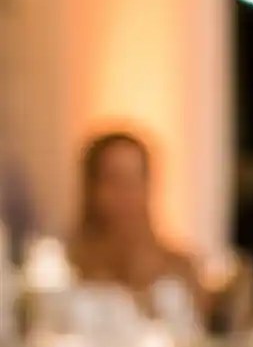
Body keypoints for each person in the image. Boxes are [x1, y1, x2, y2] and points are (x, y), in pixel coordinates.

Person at [66, 131, 208, 324]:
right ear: (91, 188)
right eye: (113, 180)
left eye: (135, 180)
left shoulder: (181, 266)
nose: (125, 194)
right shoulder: (66, 268)